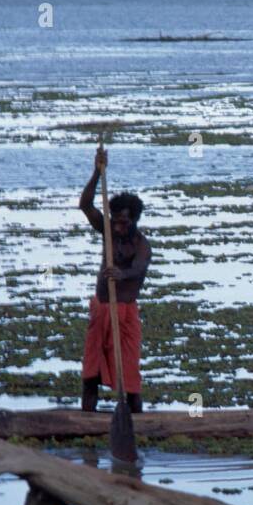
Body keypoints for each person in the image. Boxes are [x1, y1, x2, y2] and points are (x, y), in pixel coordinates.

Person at [78, 144, 151, 415]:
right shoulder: (107, 230)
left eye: (123, 222)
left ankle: (135, 421)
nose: (118, 226)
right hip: (102, 309)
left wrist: (123, 273)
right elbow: (85, 205)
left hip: (126, 312)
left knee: (129, 373)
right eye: (115, 220)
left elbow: (139, 268)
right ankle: (87, 420)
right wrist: (97, 172)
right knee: (91, 369)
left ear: (133, 220)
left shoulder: (142, 244)